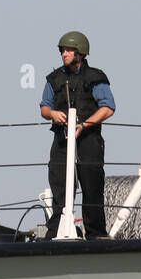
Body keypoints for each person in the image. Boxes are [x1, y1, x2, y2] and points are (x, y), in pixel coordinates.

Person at [40, 31, 115, 239]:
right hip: (61, 139)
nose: (64, 53)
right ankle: (57, 230)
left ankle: (95, 234)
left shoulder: (95, 77)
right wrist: (53, 114)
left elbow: (108, 107)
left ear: (80, 53)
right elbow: (44, 108)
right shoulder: (53, 79)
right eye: (62, 50)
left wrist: (84, 125)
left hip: (88, 139)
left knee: (92, 186)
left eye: (68, 50)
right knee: (60, 185)